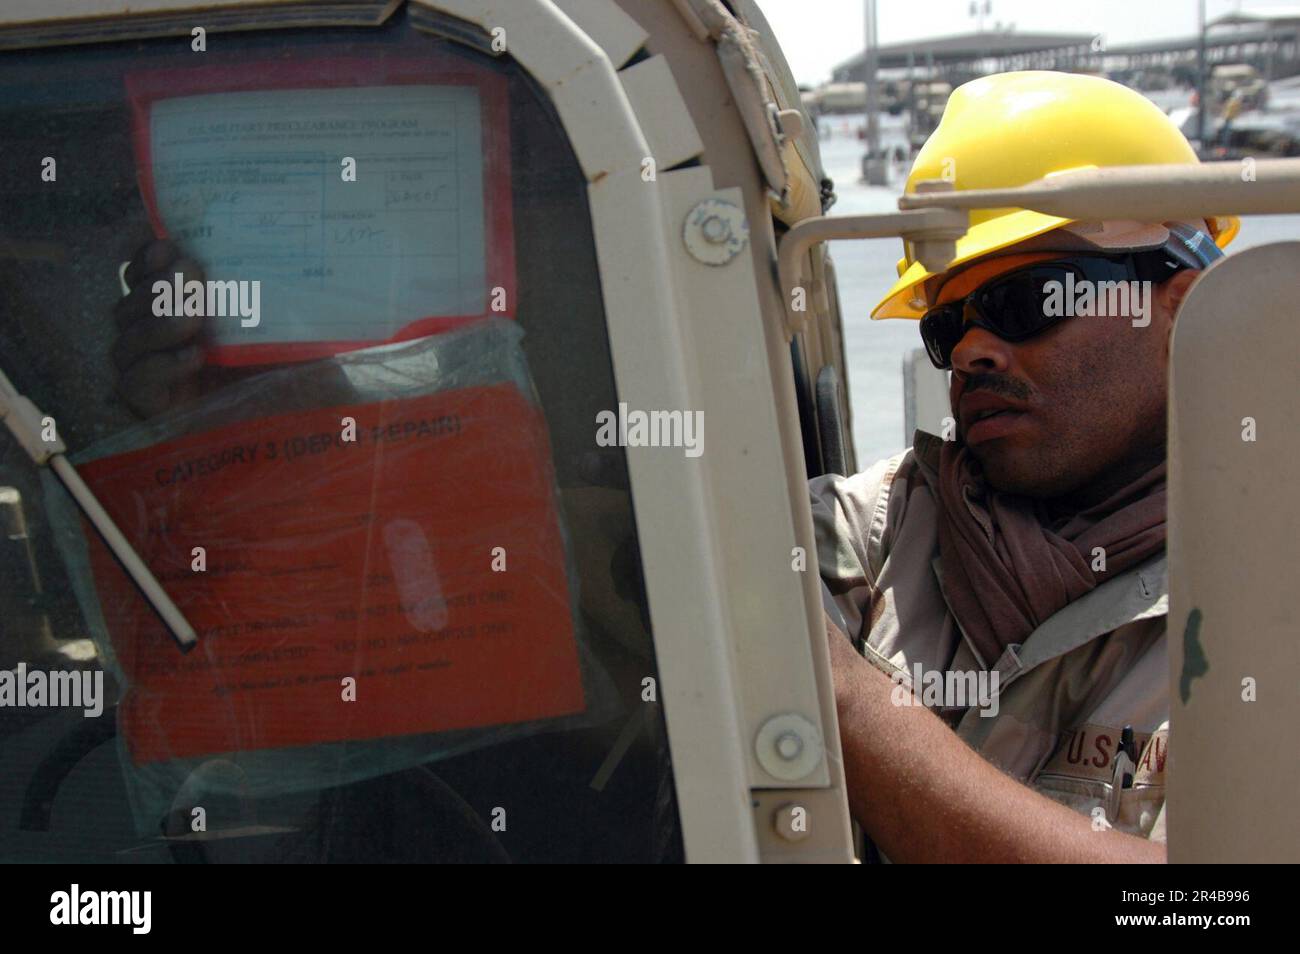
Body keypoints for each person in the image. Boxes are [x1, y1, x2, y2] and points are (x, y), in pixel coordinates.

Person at [812, 71, 1235, 863]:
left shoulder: (1264, 597)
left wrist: (845, 698)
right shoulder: (886, 525)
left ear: (1180, 306)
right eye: (948, 325)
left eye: (1030, 299)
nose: (971, 351)